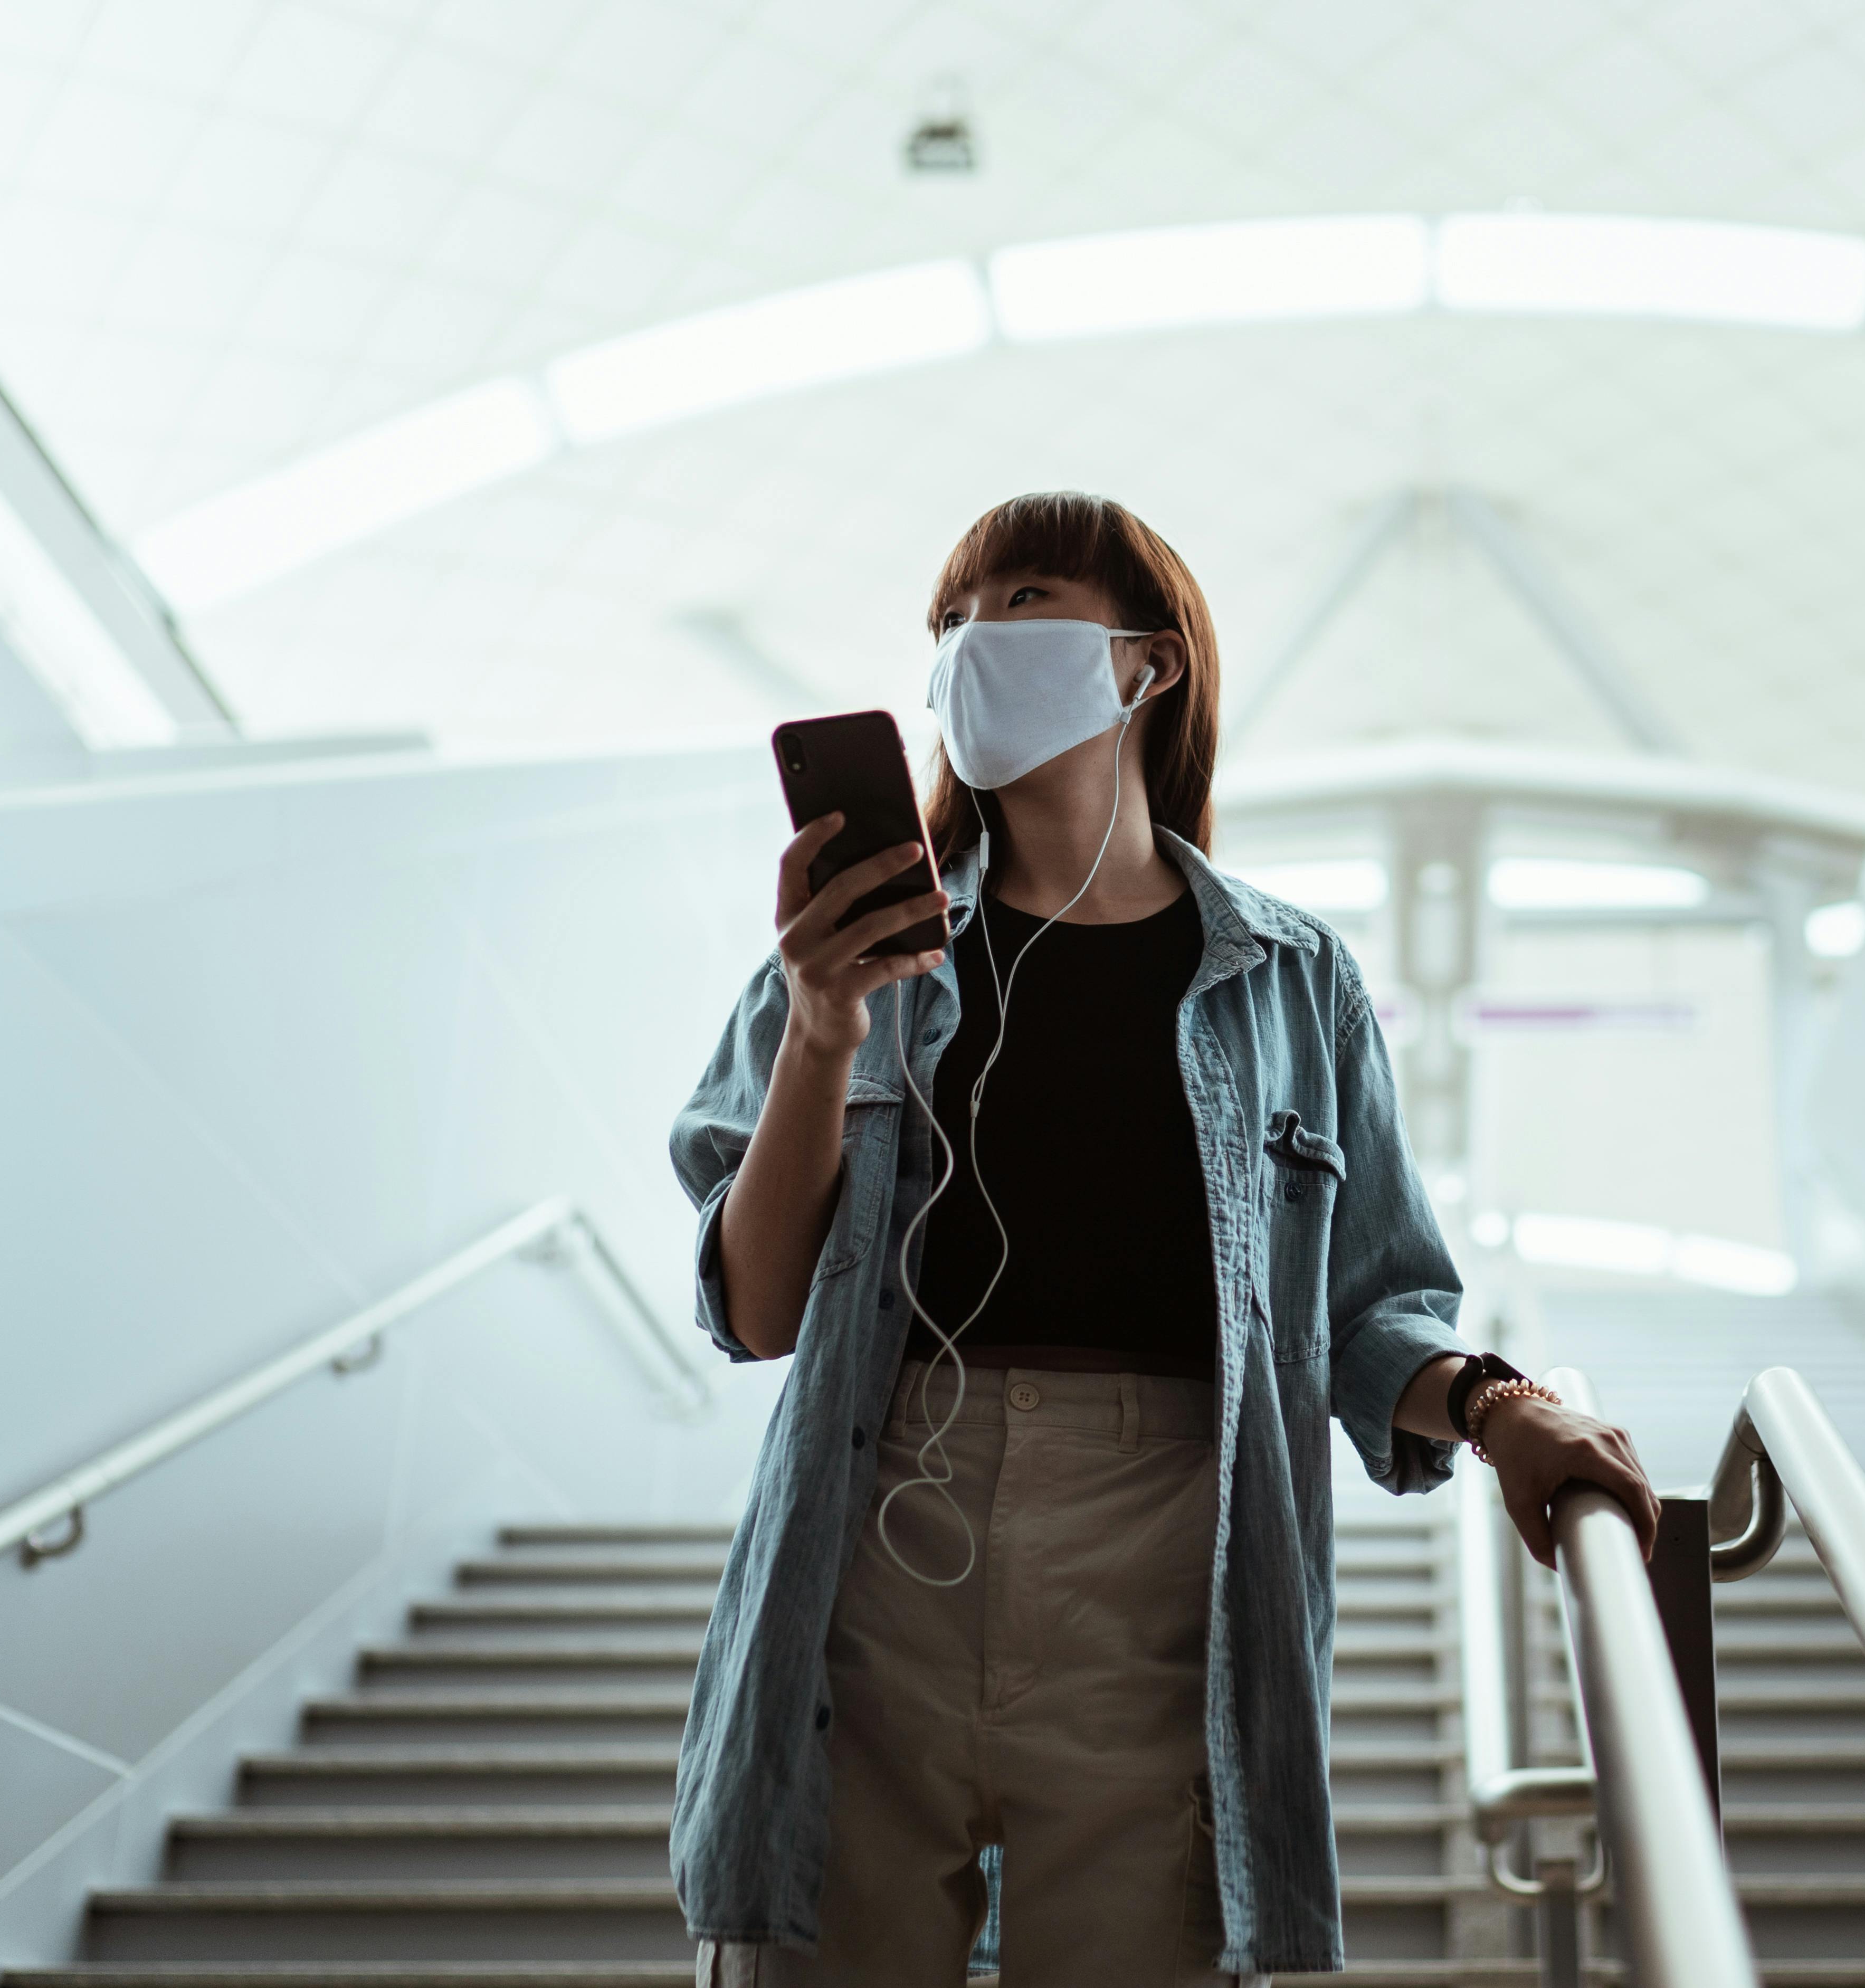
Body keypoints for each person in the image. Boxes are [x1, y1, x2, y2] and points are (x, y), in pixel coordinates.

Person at [668, 491, 1660, 1986]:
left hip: (1166, 1563)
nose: (967, 644)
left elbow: (1371, 1298)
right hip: (870, 1558)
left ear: (1146, 666)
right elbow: (753, 1310)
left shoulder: (1287, 978)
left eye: (1023, 601)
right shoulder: (847, 952)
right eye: (950, 619)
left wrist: (1501, 1407)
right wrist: (822, 1032)